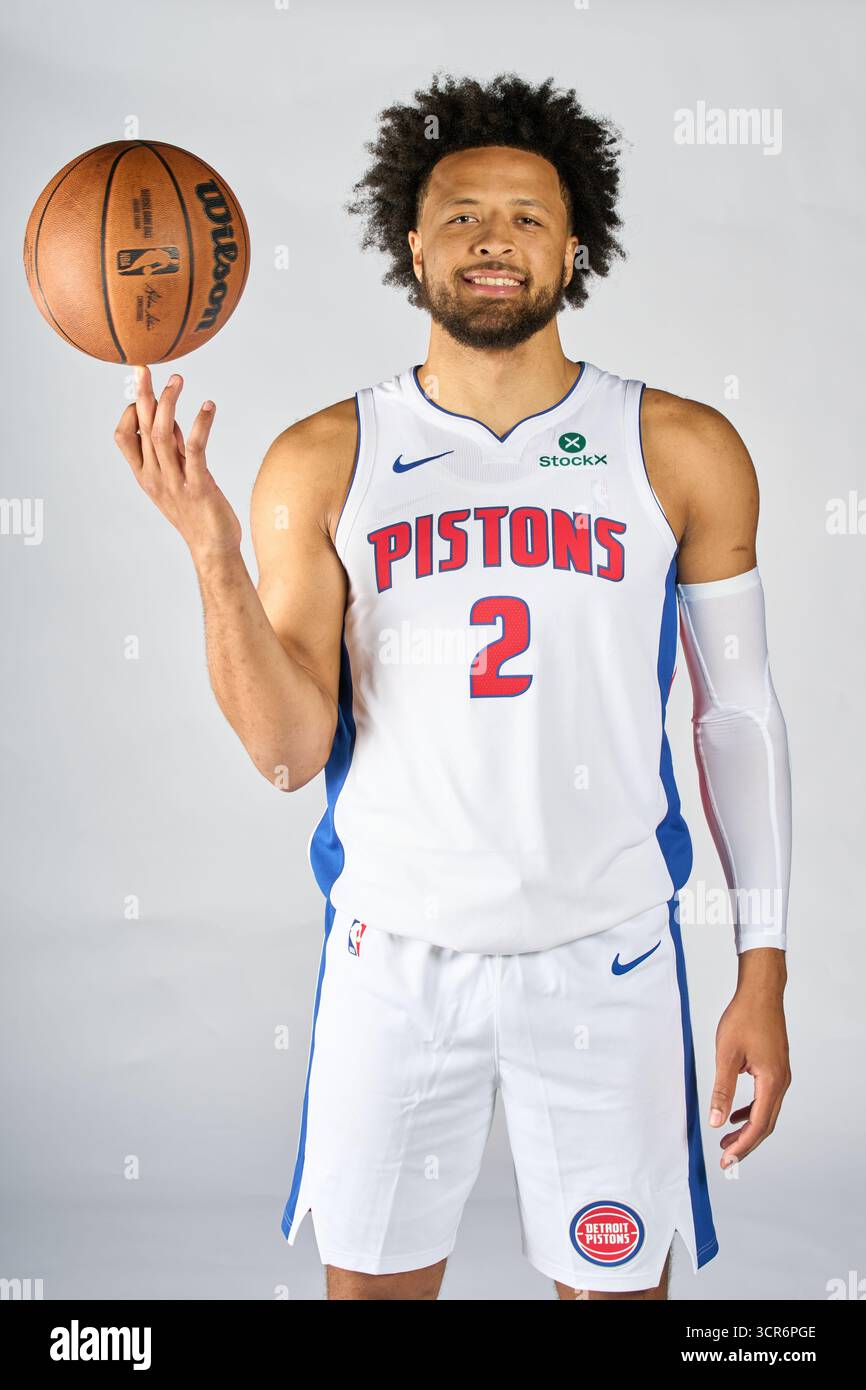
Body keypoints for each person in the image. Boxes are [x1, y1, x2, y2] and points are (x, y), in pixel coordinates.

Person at [113, 72, 792, 1302]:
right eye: (463, 213)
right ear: (411, 243)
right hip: (395, 956)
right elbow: (283, 752)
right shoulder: (323, 459)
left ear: (576, 247)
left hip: (611, 958)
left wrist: (762, 964)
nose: (494, 237)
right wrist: (211, 546)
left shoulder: (677, 445)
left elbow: (734, 716)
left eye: (528, 217)